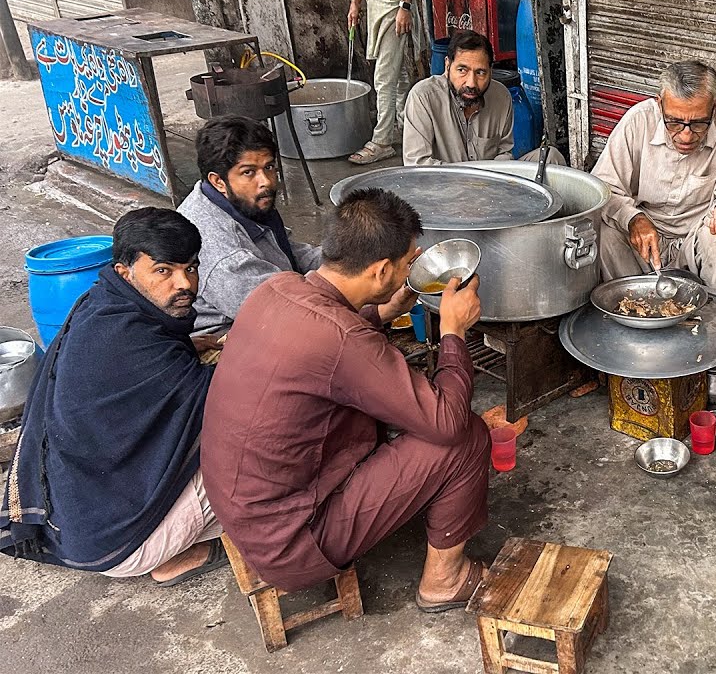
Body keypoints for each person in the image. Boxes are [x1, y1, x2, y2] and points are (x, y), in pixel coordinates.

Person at [201, 188, 491, 610]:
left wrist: (387, 308)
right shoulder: (342, 338)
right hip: (293, 541)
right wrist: (453, 331)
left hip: (242, 509)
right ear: (380, 271)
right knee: (464, 436)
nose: (412, 267)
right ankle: (445, 581)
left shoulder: (278, 287)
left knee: (403, 413)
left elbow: (337, 341)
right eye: (408, 262)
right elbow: (446, 421)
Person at [0, 208, 227, 586]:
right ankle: (174, 557)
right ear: (125, 271)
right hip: (118, 543)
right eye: (163, 271)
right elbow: (224, 396)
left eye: (191, 267)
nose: (184, 283)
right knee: (248, 439)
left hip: (76, 521)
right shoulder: (131, 343)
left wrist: (187, 345)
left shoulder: (102, 303)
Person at [591, 60, 716, 299]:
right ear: (659, 104)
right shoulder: (638, 120)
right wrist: (633, 219)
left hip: (700, 230)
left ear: (715, 108)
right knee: (602, 230)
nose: (685, 135)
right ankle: (633, 309)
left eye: (698, 123)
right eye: (674, 121)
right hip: (648, 235)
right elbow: (603, 188)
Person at [178, 116, 324, 336]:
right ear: (218, 181)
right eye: (248, 172)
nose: (265, 181)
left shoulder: (238, 200)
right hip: (228, 341)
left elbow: (286, 253)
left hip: (275, 304)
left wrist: (351, 260)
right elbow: (286, 312)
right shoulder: (223, 254)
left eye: (269, 167)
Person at [402, 29, 565, 166]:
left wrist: (491, 185)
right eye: (462, 70)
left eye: (480, 72)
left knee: (551, 157)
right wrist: (474, 182)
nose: (471, 83)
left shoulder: (501, 96)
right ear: (447, 65)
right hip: (445, 192)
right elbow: (418, 166)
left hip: (493, 186)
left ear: (490, 70)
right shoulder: (423, 97)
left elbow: (504, 154)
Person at [347, 0, 417, 165]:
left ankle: (382, 141)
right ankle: (407, 126)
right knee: (398, 72)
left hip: (392, 7)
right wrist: (355, 1)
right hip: (376, 4)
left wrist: (404, 8)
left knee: (384, 77)